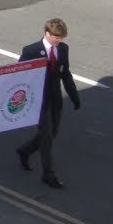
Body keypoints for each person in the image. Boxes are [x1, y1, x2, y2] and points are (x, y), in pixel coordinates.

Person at [15, 19, 81, 190]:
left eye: (62, 38)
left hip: (55, 98)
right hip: (37, 101)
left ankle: (25, 150)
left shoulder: (63, 49)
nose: (60, 41)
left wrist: (74, 96)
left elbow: (65, 74)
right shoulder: (31, 51)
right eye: (57, 37)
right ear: (48, 34)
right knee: (46, 138)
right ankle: (48, 174)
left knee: (53, 133)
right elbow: (19, 76)